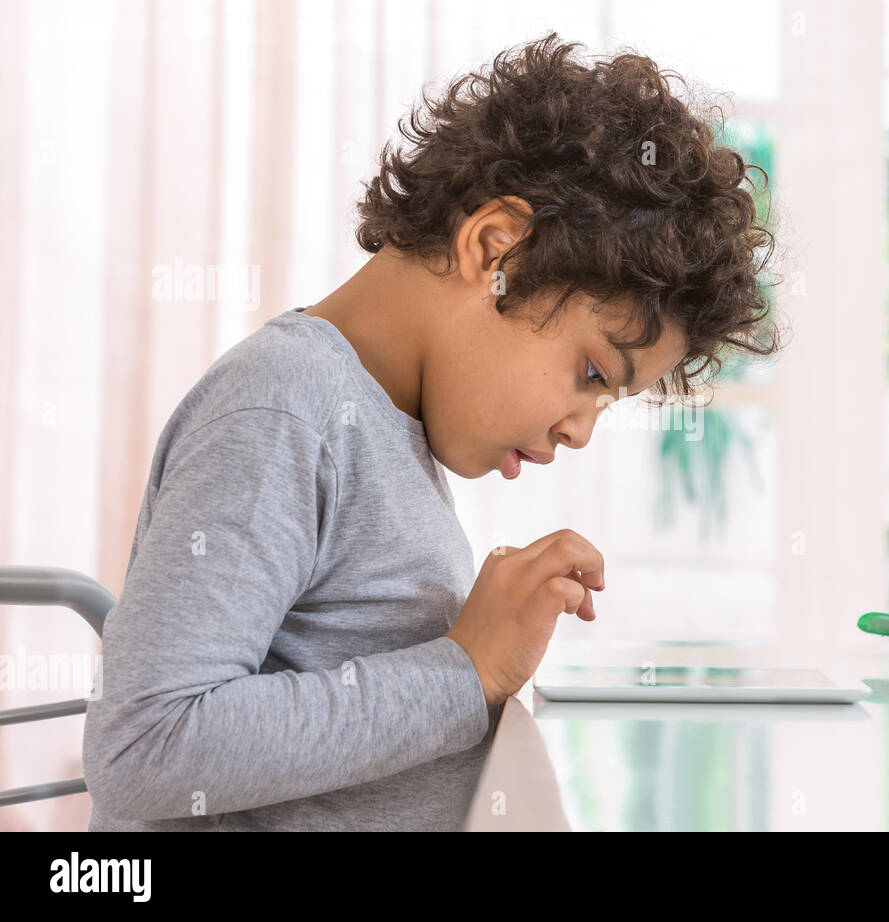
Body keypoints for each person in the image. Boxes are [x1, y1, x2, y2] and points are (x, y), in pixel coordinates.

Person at [82, 31, 783, 831]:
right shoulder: (285, 408)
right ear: (496, 250)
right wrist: (465, 669)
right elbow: (140, 751)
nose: (583, 429)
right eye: (594, 374)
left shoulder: (388, 420)